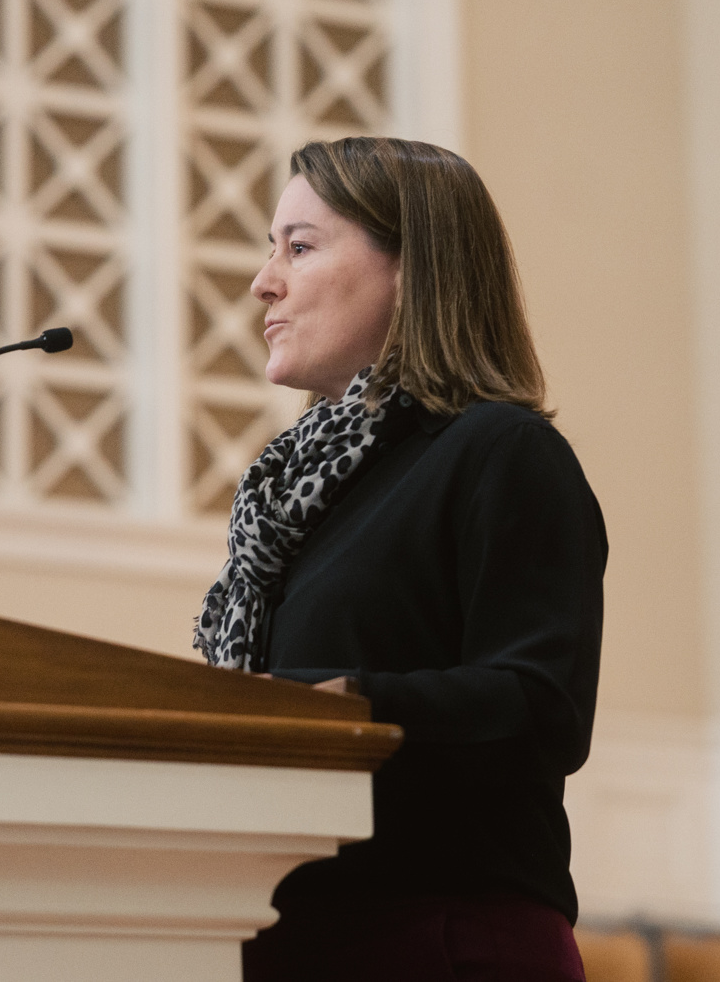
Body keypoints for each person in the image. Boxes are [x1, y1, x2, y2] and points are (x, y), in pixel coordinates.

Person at [194, 136, 605, 982]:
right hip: (280, 936)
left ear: (412, 269)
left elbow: (539, 705)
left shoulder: (501, 450)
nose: (263, 280)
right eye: (271, 249)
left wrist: (329, 707)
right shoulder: (294, 506)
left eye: (298, 247)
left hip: (446, 942)